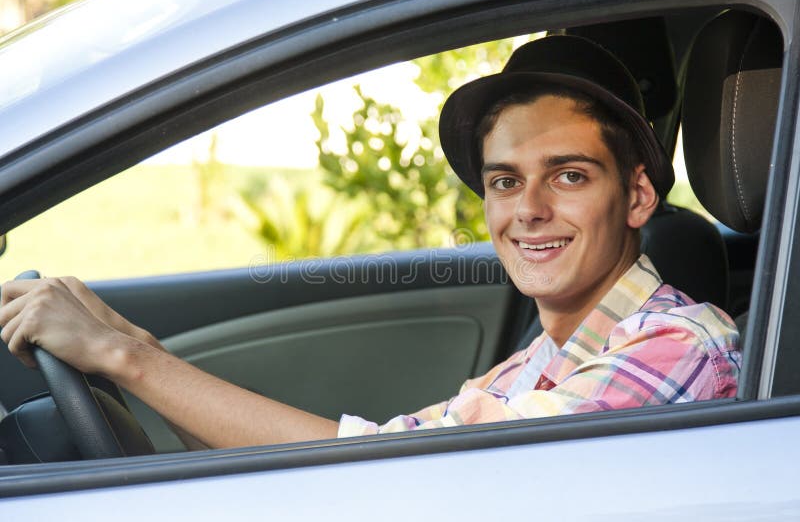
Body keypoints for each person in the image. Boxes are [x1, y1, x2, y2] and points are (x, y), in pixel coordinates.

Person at [0, 35, 740, 448]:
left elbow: (391, 474)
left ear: (638, 195)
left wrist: (132, 360)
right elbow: (380, 451)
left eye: (569, 176)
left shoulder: (678, 350)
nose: (529, 211)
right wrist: (128, 346)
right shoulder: (543, 359)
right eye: (505, 182)